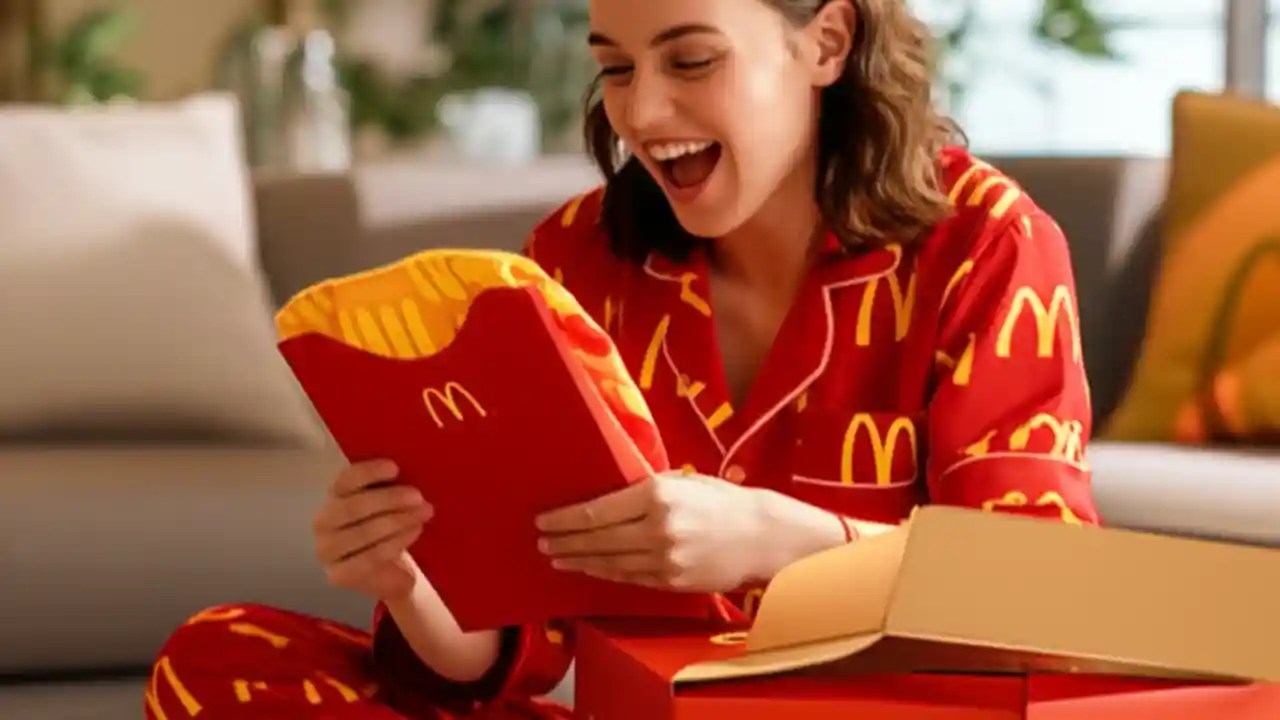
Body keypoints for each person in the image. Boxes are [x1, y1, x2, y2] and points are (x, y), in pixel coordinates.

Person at [144, 0, 1098, 718]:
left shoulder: (989, 244)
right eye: (614, 67)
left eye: (690, 59)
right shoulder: (571, 261)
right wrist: (411, 576)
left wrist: (786, 540)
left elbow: (1047, 597)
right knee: (219, 656)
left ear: (828, 42)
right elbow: (518, 647)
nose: (643, 111)